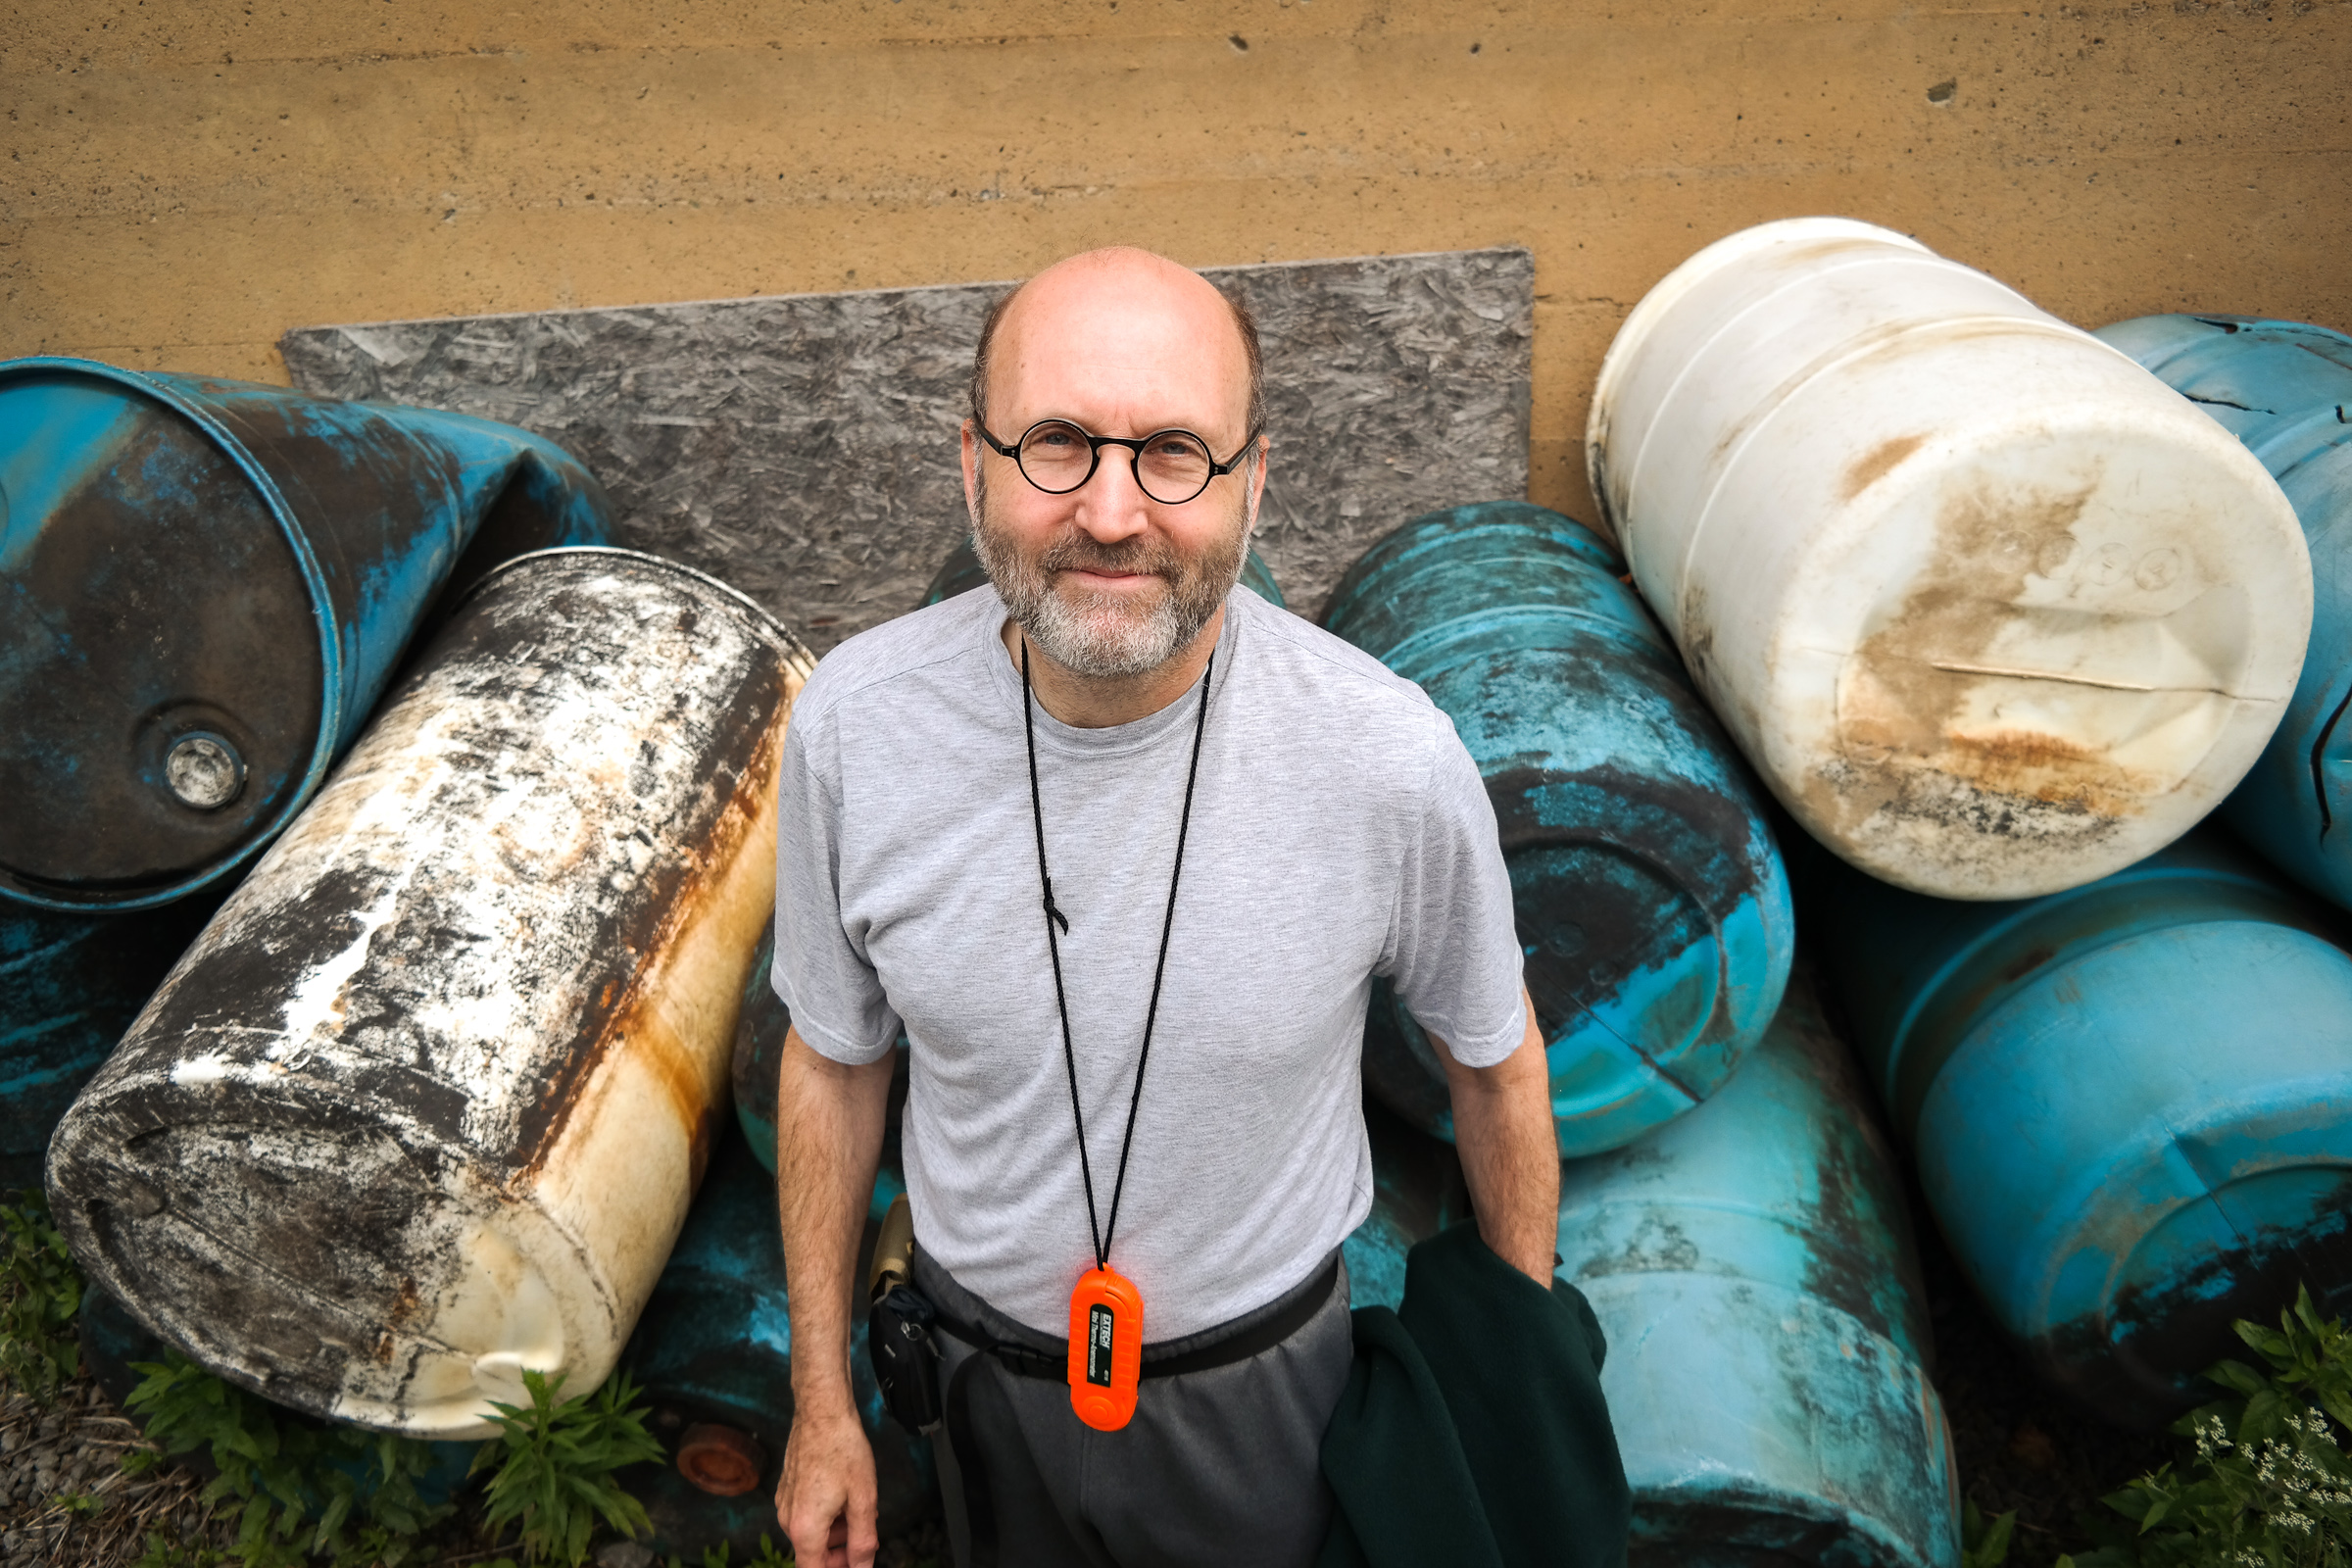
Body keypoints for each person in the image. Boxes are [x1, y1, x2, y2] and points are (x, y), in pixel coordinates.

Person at [768, 246, 1558, 1568]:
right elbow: (833, 1064)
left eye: (1176, 452)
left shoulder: (1388, 757)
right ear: (974, 465)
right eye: (1058, 444)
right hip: (966, 1380)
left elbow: (1496, 1067)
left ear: (1255, 480)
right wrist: (820, 1402)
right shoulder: (854, 727)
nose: (1115, 512)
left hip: (1265, 1401)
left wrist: (1512, 1392)